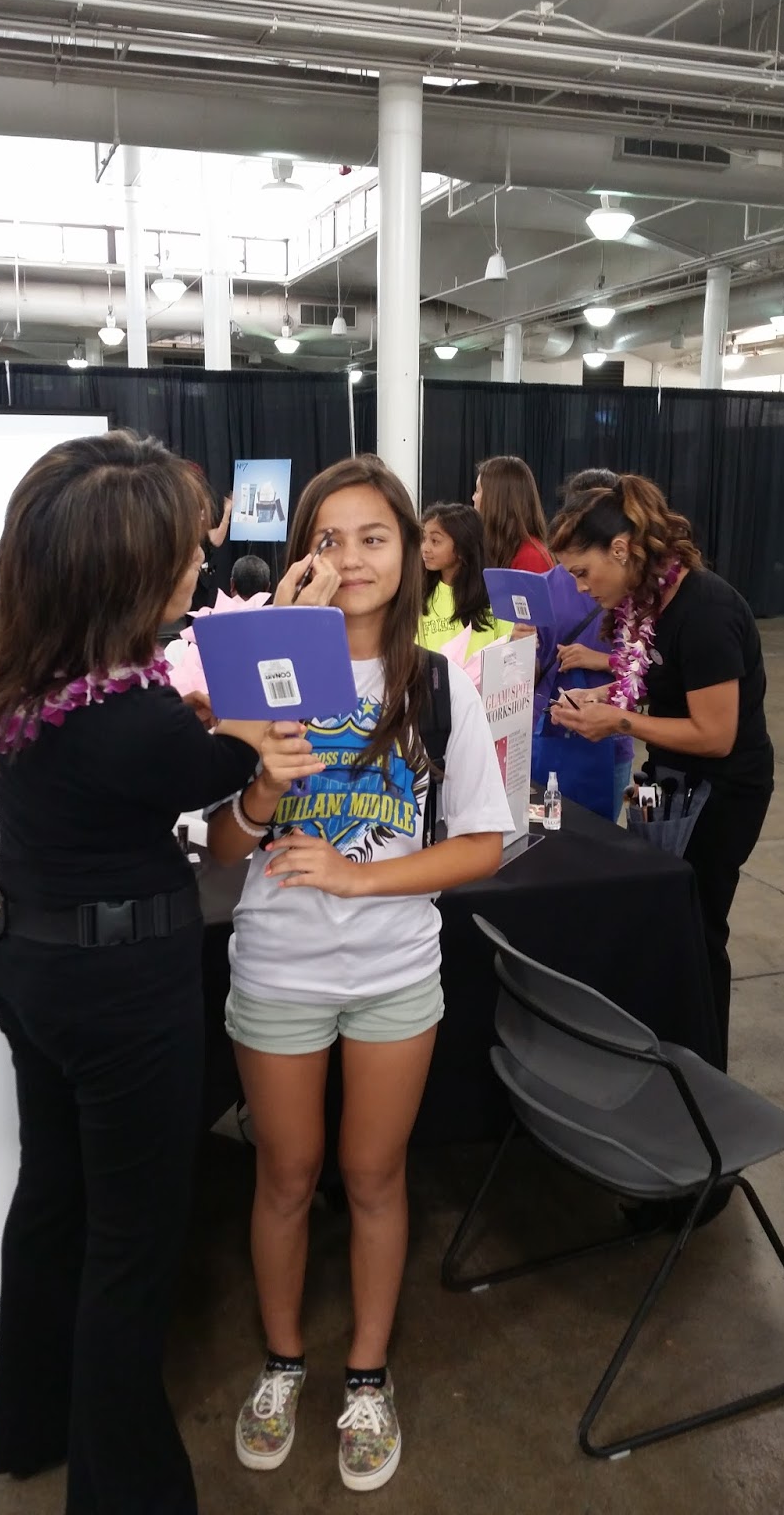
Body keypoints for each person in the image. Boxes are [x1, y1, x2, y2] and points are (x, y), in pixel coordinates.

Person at [0, 429, 337, 1515]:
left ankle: (28, 1426)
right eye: (184, 552)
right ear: (124, 572)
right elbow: (231, 760)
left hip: (31, 968)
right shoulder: (138, 728)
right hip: (124, 994)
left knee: (52, 1196)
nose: (201, 569)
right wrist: (267, 761)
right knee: (132, 1245)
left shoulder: (3, 643)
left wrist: (274, 605)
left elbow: (181, 669)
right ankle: (125, 1491)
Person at [208, 454, 513, 1492]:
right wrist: (258, 790)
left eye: (373, 535)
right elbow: (218, 849)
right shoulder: (253, 674)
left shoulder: (439, 685)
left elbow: (482, 844)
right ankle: (285, 1362)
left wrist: (350, 875)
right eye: (328, 539)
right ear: (304, 555)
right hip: (279, 970)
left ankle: (369, 1373)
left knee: (376, 1177)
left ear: (412, 553)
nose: (351, 557)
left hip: (393, 975)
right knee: (287, 1176)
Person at [548, 473, 774, 1068]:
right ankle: (659, 1045)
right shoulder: (646, 604)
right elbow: (652, 686)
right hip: (662, 779)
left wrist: (618, 724)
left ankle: (703, 1071)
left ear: (620, 550)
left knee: (696, 928)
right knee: (652, 903)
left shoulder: (705, 611)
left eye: (581, 570)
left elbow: (716, 735)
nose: (579, 585)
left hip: (721, 793)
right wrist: (606, 701)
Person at [533, 469, 634, 820]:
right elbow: (528, 675)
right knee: (548, 836)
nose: (583, 587)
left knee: (600, 846)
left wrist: (601, 662)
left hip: (611, 743)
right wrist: (519, 648)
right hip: (553, 736)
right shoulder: (544, 586)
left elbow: (650, 670)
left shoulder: (637, 592)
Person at [417, 501, 507, 660]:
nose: (425, 548)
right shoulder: (419, 595)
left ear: (462, 548)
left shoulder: (497, 596)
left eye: (435, 541)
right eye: (424, 539)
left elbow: (512, 657)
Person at [472, 455, 552, 572]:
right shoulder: (491, 548)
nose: (473, 497)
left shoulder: (530, 557)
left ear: (496, 499)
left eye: (478, 491)